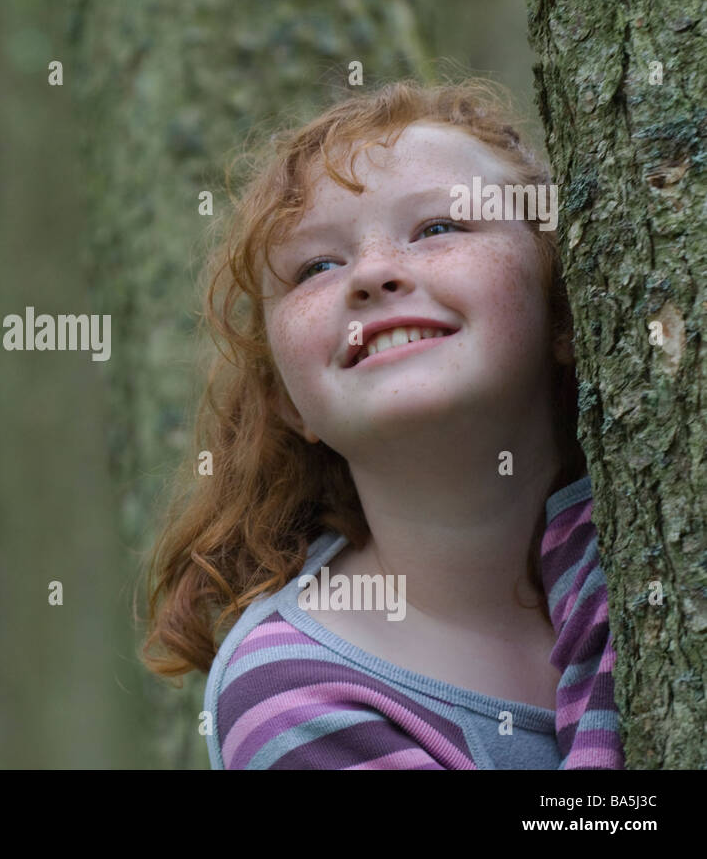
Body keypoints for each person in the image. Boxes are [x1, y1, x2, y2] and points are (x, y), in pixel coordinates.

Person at [138, 79, 624, 769]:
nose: (372, 275)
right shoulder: (294, 691)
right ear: (284, 400)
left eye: (438, 228)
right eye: (316, 266)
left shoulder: (656, 538)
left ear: (564, 306)